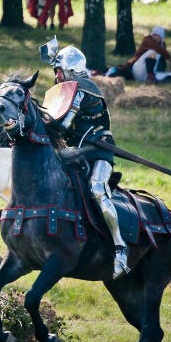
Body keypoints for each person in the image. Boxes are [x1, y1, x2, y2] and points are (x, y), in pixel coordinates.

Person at [46, 45, 130, 279]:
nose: (57, 76)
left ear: (71, 69)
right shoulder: (66, 90)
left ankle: (120, 248)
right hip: (75, 152)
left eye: (59, 70)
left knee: (97, 189)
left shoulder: (83, 89)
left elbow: (61, 124)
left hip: (97, 151)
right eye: (56, 71)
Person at [106, 26, 171, 83]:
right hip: (137, 69)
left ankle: (153, 78)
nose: (155, 37)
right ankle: (150, 78)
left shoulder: (163, 47)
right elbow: (158, 49)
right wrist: (170, 58)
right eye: (154, 35)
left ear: (161, 37)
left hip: (147, 74)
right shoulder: (147, 40)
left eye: (158, 36)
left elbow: (162, 62)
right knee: (152, 52)